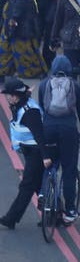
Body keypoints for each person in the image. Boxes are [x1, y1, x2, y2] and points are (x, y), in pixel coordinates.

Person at [0, 77, 46, 229]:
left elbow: (39, 135)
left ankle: (11, 219)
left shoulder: (30, 112)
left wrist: (46, 156)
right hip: (30, 151)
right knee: (36, 184)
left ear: (15, 96)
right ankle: (56, 213)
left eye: (8, 95)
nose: (7, 98)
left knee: (27, 185)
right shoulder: (20, 104)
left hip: (37, 152)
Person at [39, 55, 79, 223]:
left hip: (48, 128)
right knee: (69, 169)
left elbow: (42, 106)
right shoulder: (75, 86)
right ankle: (70, 211)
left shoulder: (44, 84)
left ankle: (43, 193)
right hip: (68, 129)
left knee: (49, 163)